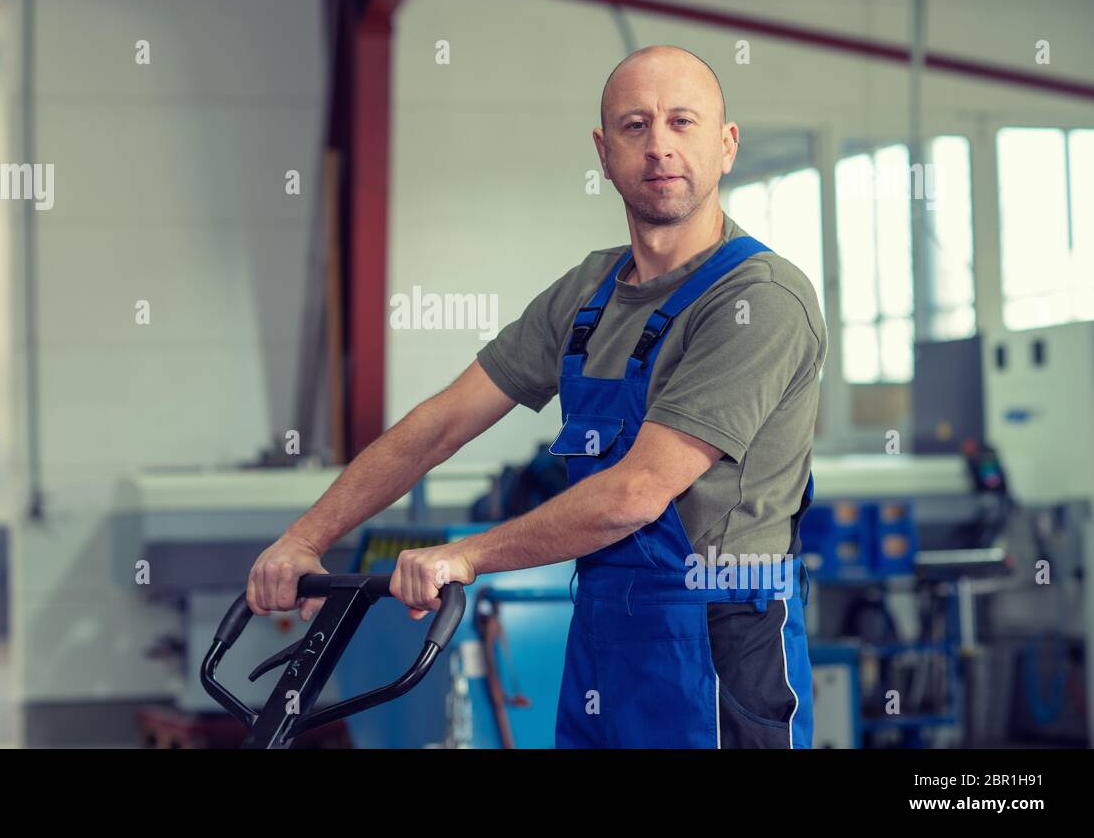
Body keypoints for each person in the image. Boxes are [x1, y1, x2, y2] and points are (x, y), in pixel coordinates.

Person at [247, 45, 827, 748]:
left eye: (683, 122)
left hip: (715, 647)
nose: (660, 147)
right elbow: (440, 423)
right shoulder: (587, 293)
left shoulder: (758, 299)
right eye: (635, 126)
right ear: (603, 152)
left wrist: (467, 554)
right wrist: (305, 537)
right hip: (603, 639)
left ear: (726, 145)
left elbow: (637, 491)